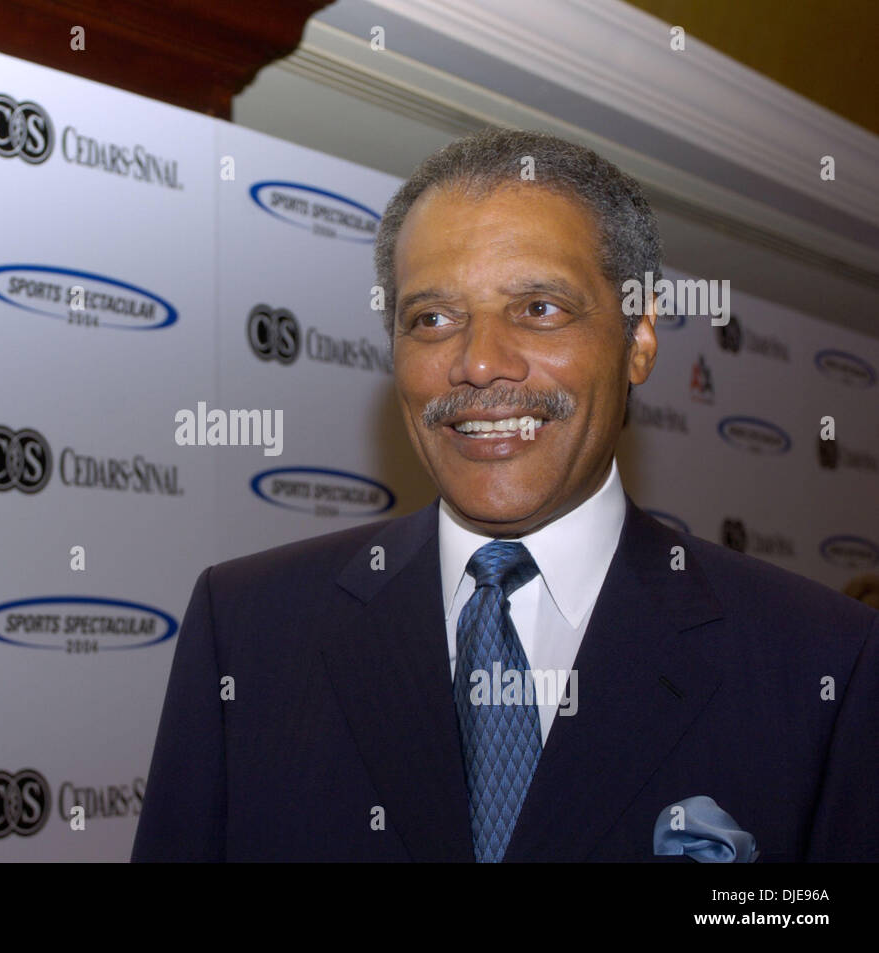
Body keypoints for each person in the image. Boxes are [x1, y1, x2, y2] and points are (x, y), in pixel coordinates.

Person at [131, 128, 878, 862]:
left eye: (539, 308)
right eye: (432, 318)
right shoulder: (248, 627)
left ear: (640, 338)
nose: (479, 361)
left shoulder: (820, 662)